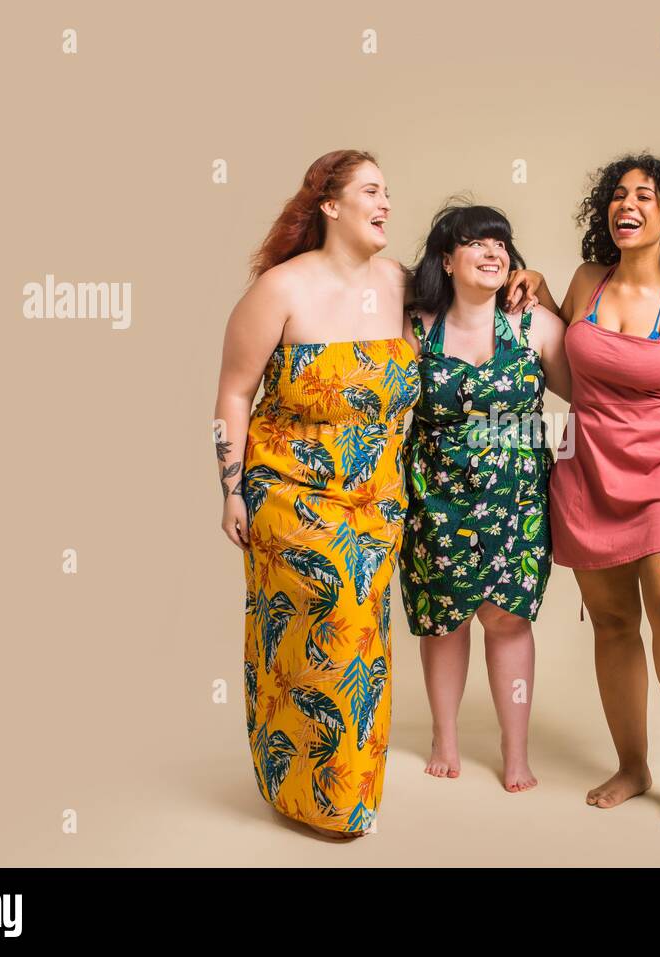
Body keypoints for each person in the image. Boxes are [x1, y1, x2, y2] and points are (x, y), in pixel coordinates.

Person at [503, 154, 660, 823]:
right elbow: (559, 354)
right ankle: (633, 763)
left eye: (645, 196)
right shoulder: (587, 282)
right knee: (614, 622)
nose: (627, 204)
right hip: (587, 465)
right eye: (618, 195)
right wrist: (535, 284)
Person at [214, 149, 420, 839]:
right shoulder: (280, 289)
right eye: (371, 190)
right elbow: (235, 393)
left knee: (364, 644)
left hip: (376, 497)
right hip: (291, 493)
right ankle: (311, 793)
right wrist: (232, 490)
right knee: (323, 627)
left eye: (388, 191)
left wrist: (529, 283)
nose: (386, 201)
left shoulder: (401, 282)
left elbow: (478, 286)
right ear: (330, 205)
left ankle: (345, 797)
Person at [398, 202, 571, 792]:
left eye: (501, 242)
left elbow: (590, 394)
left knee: (507, 619)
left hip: (517, 498)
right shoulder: (414, 326)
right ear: (446, 260)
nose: (493, 251)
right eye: (476, 242)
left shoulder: (534, 325)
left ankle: (514, 751)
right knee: (443, 622)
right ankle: (444, 738)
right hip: (435, 496)